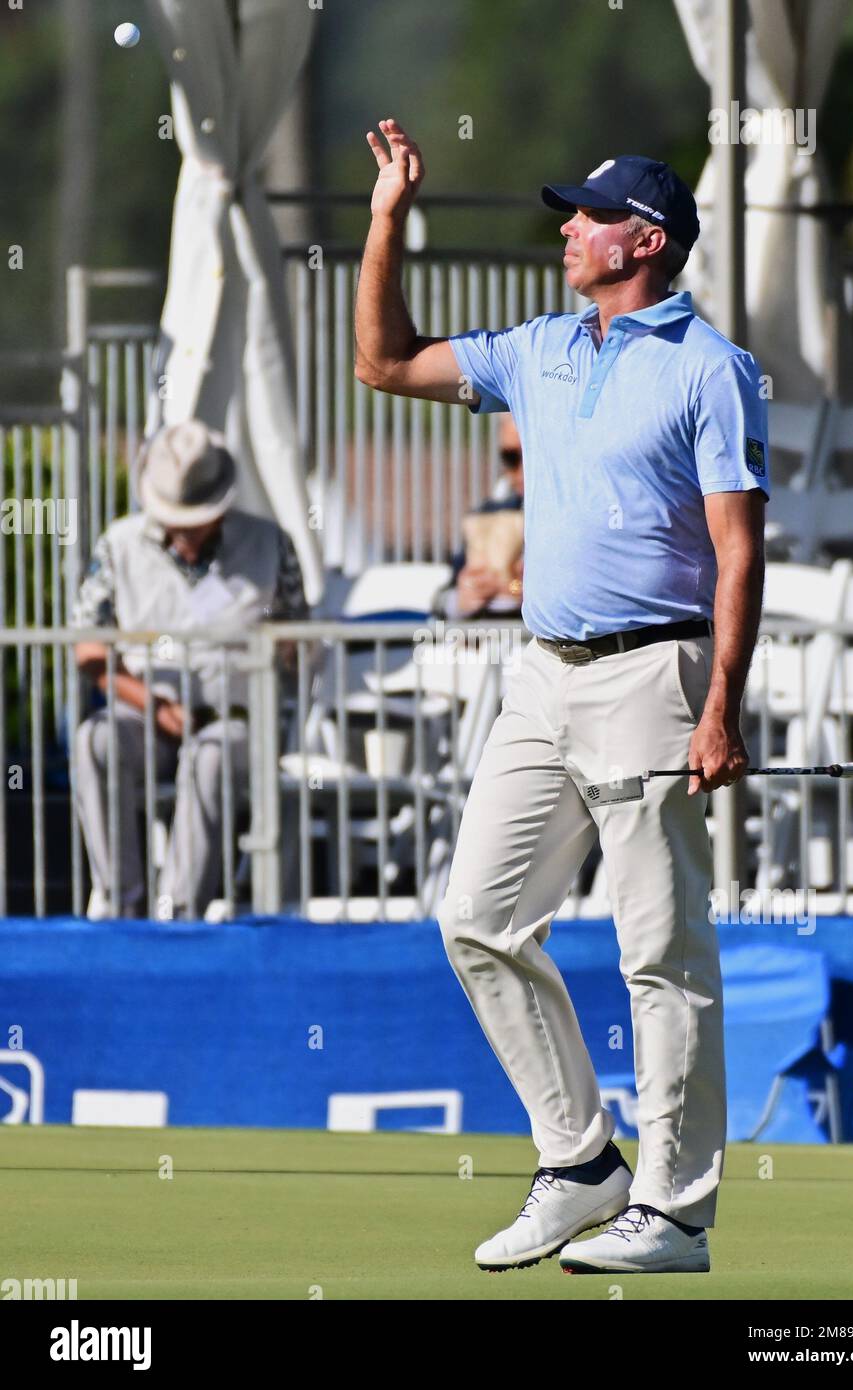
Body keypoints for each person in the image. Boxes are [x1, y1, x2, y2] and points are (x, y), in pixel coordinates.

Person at [356, 120, 769, 1275]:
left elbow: (741, 553)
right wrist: (387, 217)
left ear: (641, 240)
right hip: (542, 673)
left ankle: (677, 1213)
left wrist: (721, 706)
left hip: (658, 673)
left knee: (660, 951)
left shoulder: (711, 369)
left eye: (584, 216)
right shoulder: (540, 348)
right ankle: (582, 1160)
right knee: (477, 917)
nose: (566, 230)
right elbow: (383, 363)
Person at [70, 420, 309, 920]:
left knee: (211, 755)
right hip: (144, 714)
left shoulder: (270, 543)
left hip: (237, 719)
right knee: (95, 740)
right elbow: (88, 649)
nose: (187, 527)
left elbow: (299, 642)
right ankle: (120, 905)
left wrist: (283, 651)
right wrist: (153, 706)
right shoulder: (119, 546)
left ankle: (179, 915)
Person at [440, 413, 524, 620]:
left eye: (533, 456)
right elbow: (444, 596)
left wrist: (517, 589)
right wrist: (461, 597)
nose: (522, 469)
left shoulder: (584, 519)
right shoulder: (488, 514)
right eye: (511, 457)